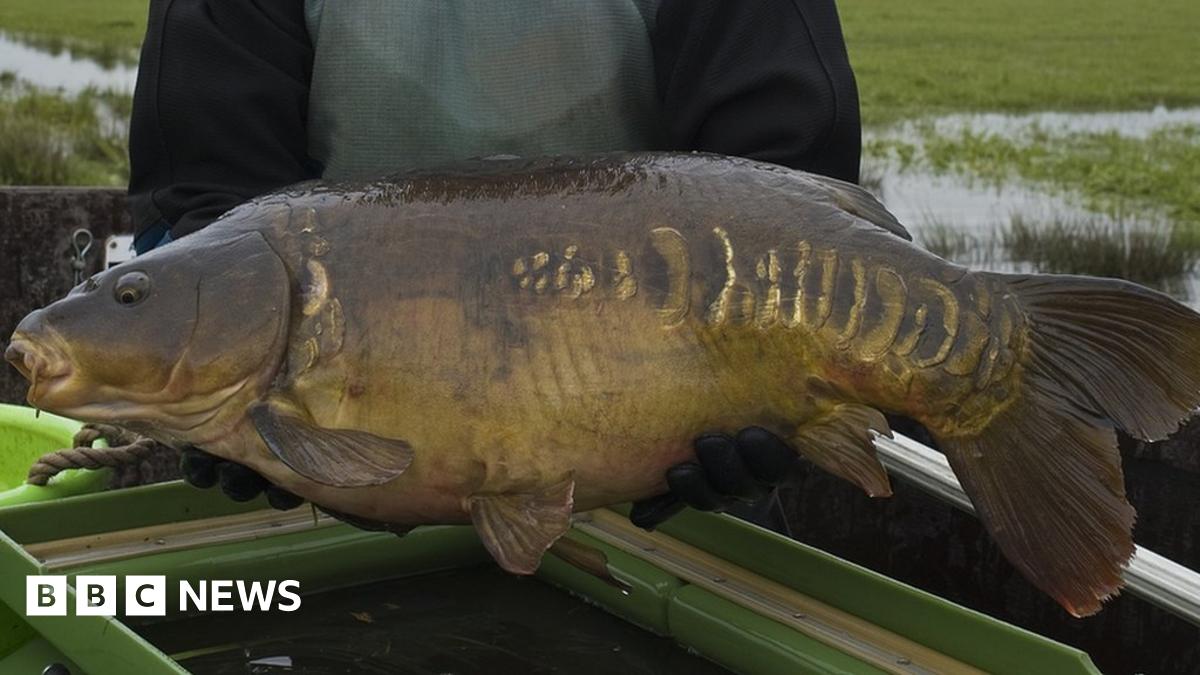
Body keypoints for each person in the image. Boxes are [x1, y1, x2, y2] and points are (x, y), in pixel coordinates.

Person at [126, 0, 863, 530]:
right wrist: (233, 410)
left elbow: (784, 187)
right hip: (321, 466)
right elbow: (206, 205)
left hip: (668, 470)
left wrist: (767, 408)